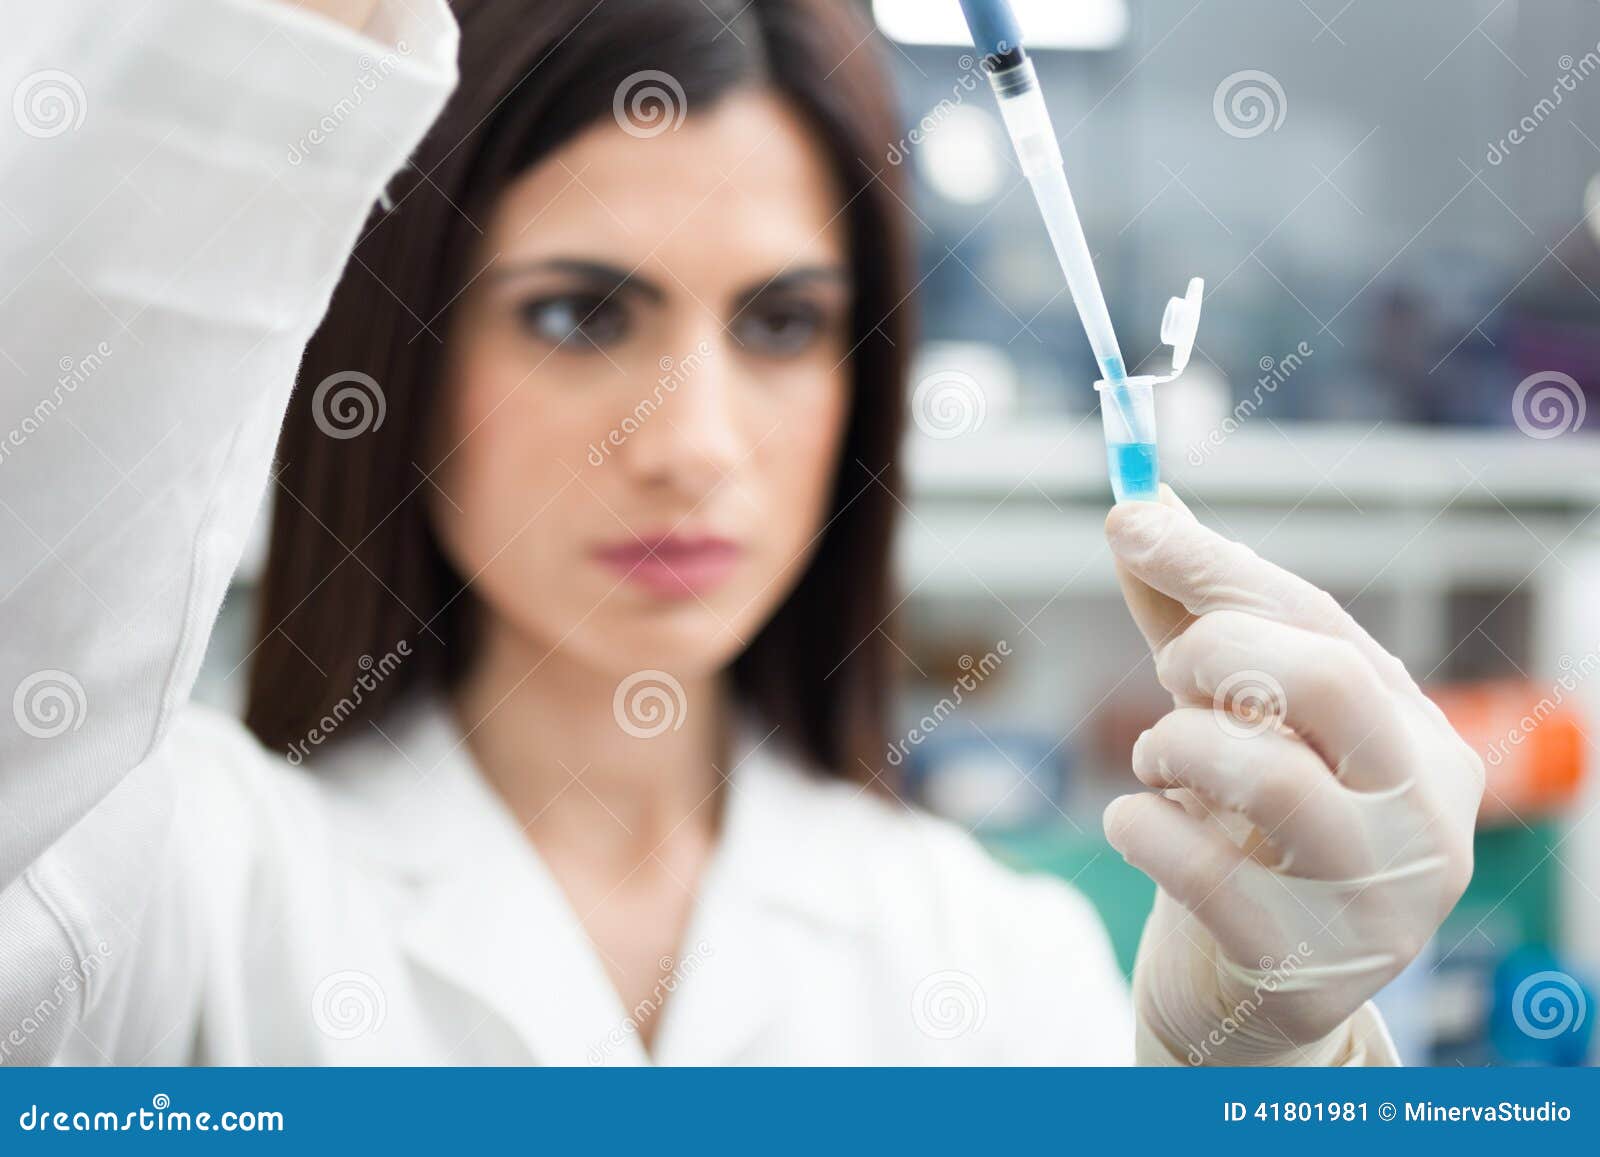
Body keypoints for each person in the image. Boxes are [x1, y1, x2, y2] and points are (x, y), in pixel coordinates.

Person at [0, 0, 1481, 1065]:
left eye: (781, 322)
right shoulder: (162, 898)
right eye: (582, 314)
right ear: (399, 356)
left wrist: (1260, 1078)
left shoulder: (990, 961)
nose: (696, 444)